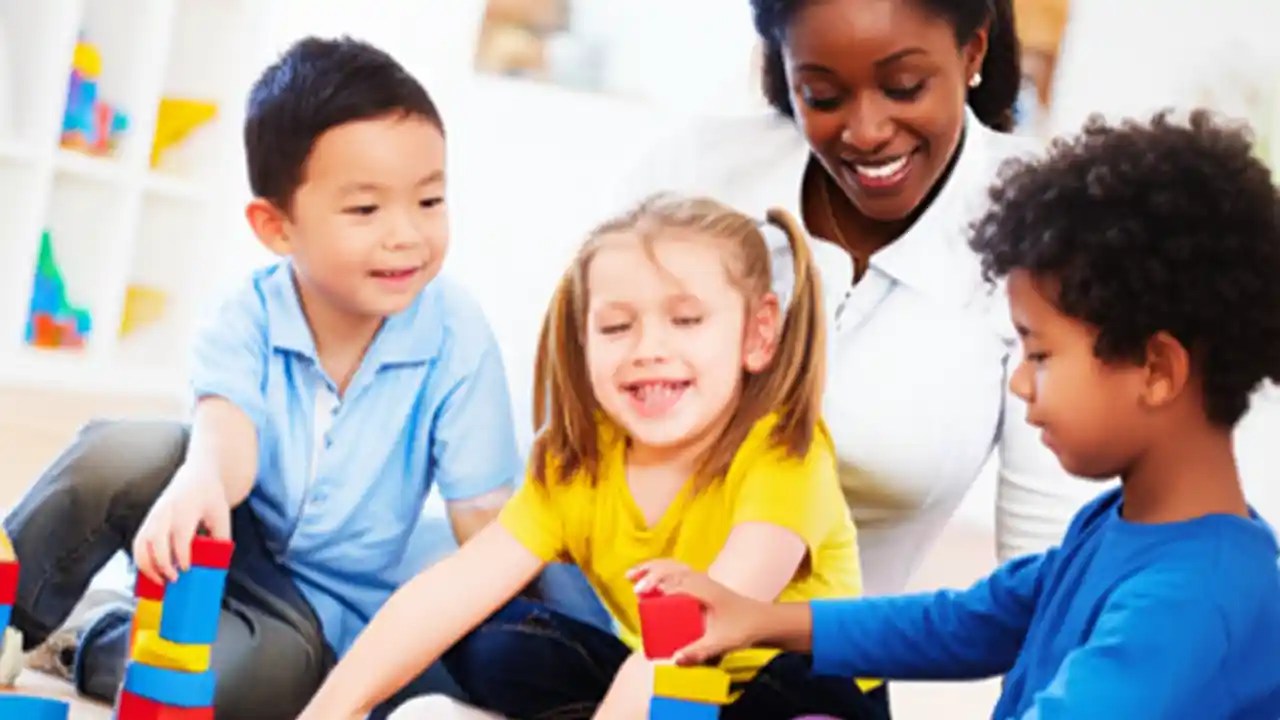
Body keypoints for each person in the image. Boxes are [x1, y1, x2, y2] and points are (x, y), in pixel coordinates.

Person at [629, 110, 1280, 718]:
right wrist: (757, 618)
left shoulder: (1196, 599)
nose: (1021, 383)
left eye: (1041, 354)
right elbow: (969, 621)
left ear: (1157, 370)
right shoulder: (1123, 523)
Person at [1, 36, 524, 719]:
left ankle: (96, 638)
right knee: (125, 449)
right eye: (366, 210)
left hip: (310, 614)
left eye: (429, 202)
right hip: (218, 521)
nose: (407, 235)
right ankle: (17, 617)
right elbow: (226, 435)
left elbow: (484, 521)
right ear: (277, 227)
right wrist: (200, 479)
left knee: (250, 685)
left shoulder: (456, 334)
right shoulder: (247, 310)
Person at [297, 195, 889, 720]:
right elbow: (445, 593)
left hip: (791, 694)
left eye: (686, 320)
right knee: (493, 640)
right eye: (615, 327)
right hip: (659, 689)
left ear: (758, 333)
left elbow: (696, 634)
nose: (648, 349)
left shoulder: (785, 456)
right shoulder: (576, 465)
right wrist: (332, 708)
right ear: (583, 340)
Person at [618, 0, 1103, 601]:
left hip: (816, 666)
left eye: (904, 87)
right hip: (608, 613)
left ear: (972, 50)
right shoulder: (697, 174)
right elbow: (568, 430)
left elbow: (1046, 555)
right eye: (822, 95)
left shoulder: (1044, 224)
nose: (867, 132)